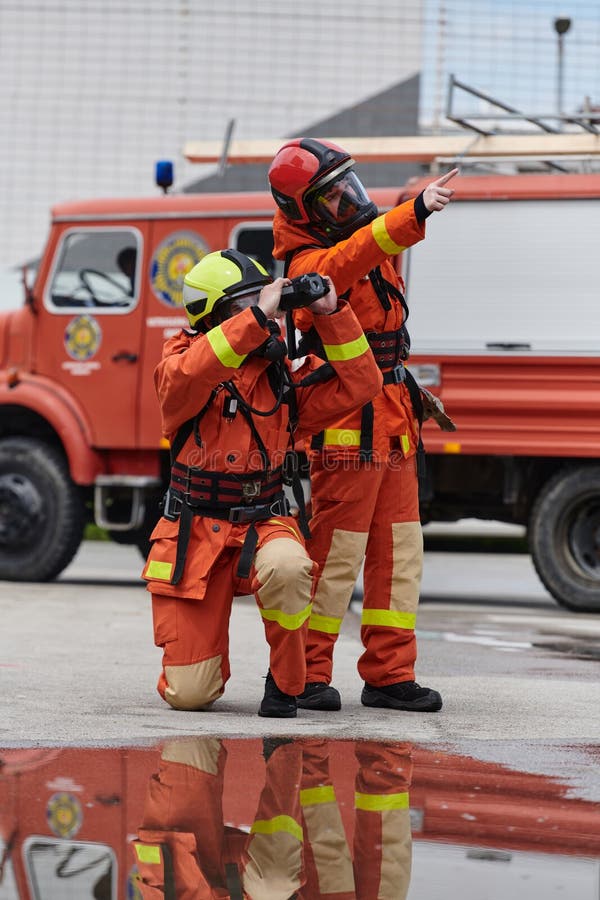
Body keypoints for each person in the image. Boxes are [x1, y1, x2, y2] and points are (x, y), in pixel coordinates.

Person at [141, 248, 383, 718]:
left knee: (290, 568)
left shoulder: (281, 377)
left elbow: (362, 384)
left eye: (264, 300)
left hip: (265, 522)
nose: (264, 316)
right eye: (243, 304)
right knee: (190, 696)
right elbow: (193, 372)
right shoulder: (180, 364)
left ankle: (286, 682)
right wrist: (259, 312)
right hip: (195, 535)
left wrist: (332, 314)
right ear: (210, 317)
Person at [268, 138, 457, 714]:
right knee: (335, 556)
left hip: (395, 415)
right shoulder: (308, 266)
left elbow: (368, 246)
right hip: (348, 424)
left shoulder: (351, 245)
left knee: (400, 555)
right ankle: (308, 676)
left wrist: (409, 212)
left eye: (350, 187)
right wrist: (414, 211)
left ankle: (390, 674)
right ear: (304, 212)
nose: (350, 201)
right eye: (333, 197)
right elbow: (355, 255)